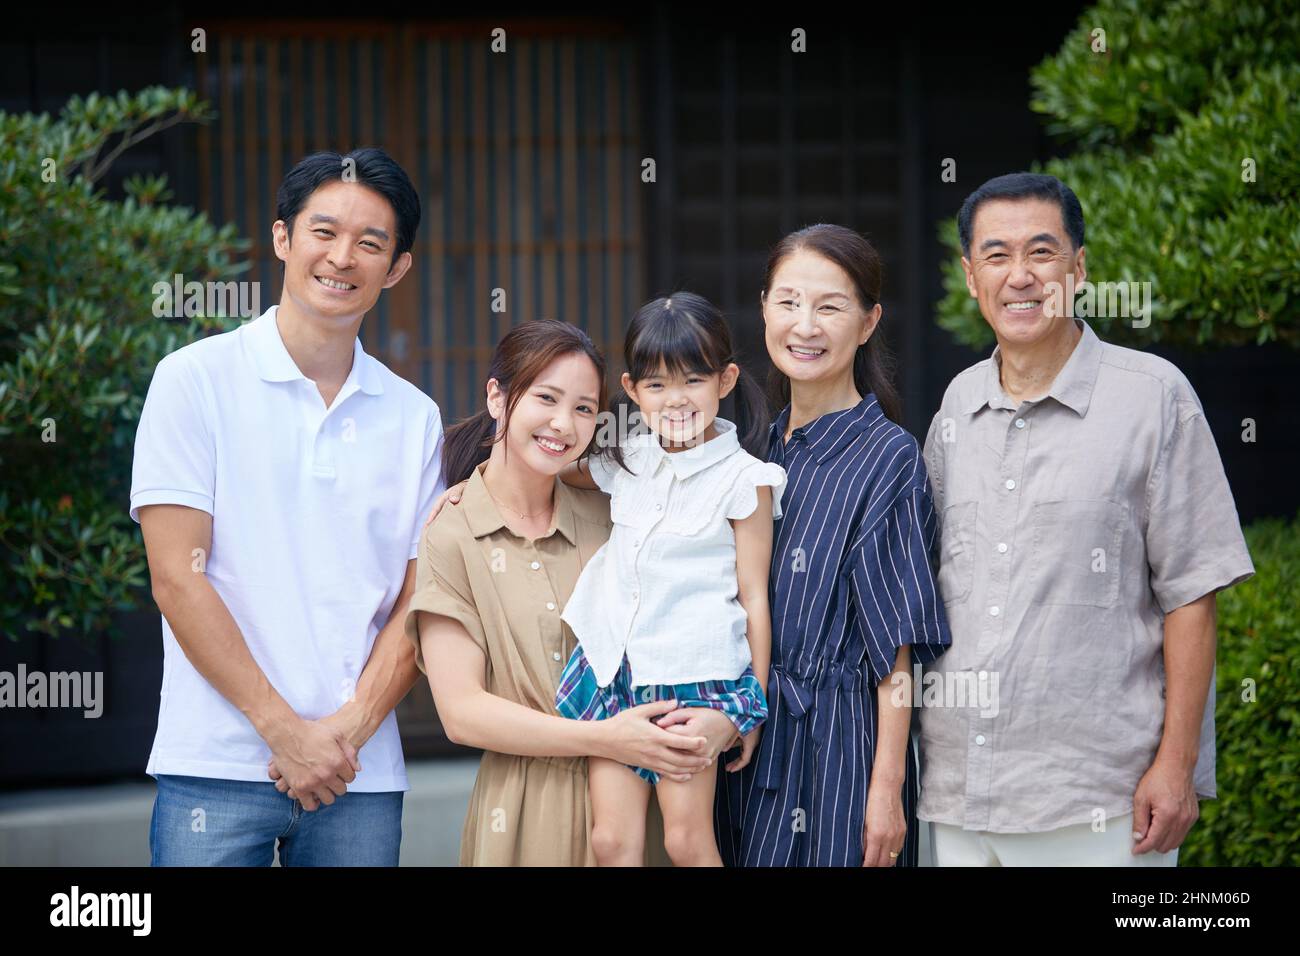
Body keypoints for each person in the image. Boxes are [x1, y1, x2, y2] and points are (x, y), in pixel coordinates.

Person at [919, 172, 1255, 866]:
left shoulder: (1153, 395)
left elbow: (1192, 591)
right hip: (959, 792)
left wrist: (1179, 763)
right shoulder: (958, 404)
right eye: (996, 255)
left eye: (1041, 253)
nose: (1020, 277)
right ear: (969, 274)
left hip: (1098, 795)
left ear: (1079, 268)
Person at [131, 147, 443, 865]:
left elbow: (423, 594)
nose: (343, 257)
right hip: (215, 761)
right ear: (282, 238)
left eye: (371, 243)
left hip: (355, 775)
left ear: (396, 267)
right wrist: (284, 732)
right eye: (323, 232)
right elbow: (177, 577)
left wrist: (348, 731)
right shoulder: (193, 381)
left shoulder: (413, 416)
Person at [406, 319, 743, 866]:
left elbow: (709, 612)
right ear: (497, 396)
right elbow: (462, 713)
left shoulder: (617, 511)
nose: (563, 423)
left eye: (585, 408)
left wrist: (727, 717)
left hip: (637, 807)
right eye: (546, 398)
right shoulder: (453, 530)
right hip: (522, 815)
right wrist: (606, 737)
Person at [715, 224, 953, 866]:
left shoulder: (888, 458)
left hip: (845, 748)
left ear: (869, 322)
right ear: (764, 308)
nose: (805, 325)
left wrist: (886, 790)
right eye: (788, 301)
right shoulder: (746, 452)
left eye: (830, 306)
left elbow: (896, 650)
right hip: (750, 737)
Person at [549, 292, 781, 866]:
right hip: (614, 669)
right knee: (609, 841)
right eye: (655, 385)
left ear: (725, 380)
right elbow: (549, 467)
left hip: (693, 677)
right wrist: (473, 484)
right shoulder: (625, 456)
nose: (675, 400)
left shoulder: (745, 479)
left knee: (684, 840)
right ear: (631, 391)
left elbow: (754, 595)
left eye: (693, 380)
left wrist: (745, 708)